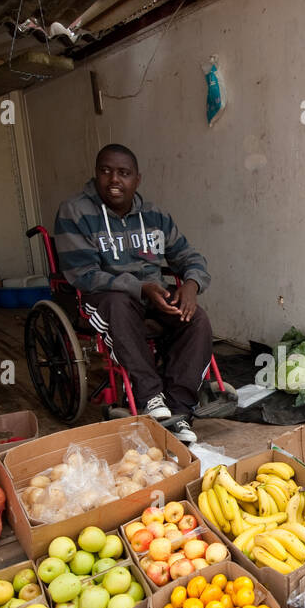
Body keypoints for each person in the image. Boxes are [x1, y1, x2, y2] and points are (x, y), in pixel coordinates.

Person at [53, 143, 212, 443]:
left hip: (152, 295)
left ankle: (178, 412)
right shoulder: (74, 212)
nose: (115, 180)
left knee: (196, 319)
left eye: (124, 173)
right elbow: (83, 275)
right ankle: (150, 397)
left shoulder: (154, 215)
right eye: (106, 171)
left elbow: (190, 256)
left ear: (137, 179)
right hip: (105, 297)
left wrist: (190, 286)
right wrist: (140, 288)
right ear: (96, 174)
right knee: (118, 304)